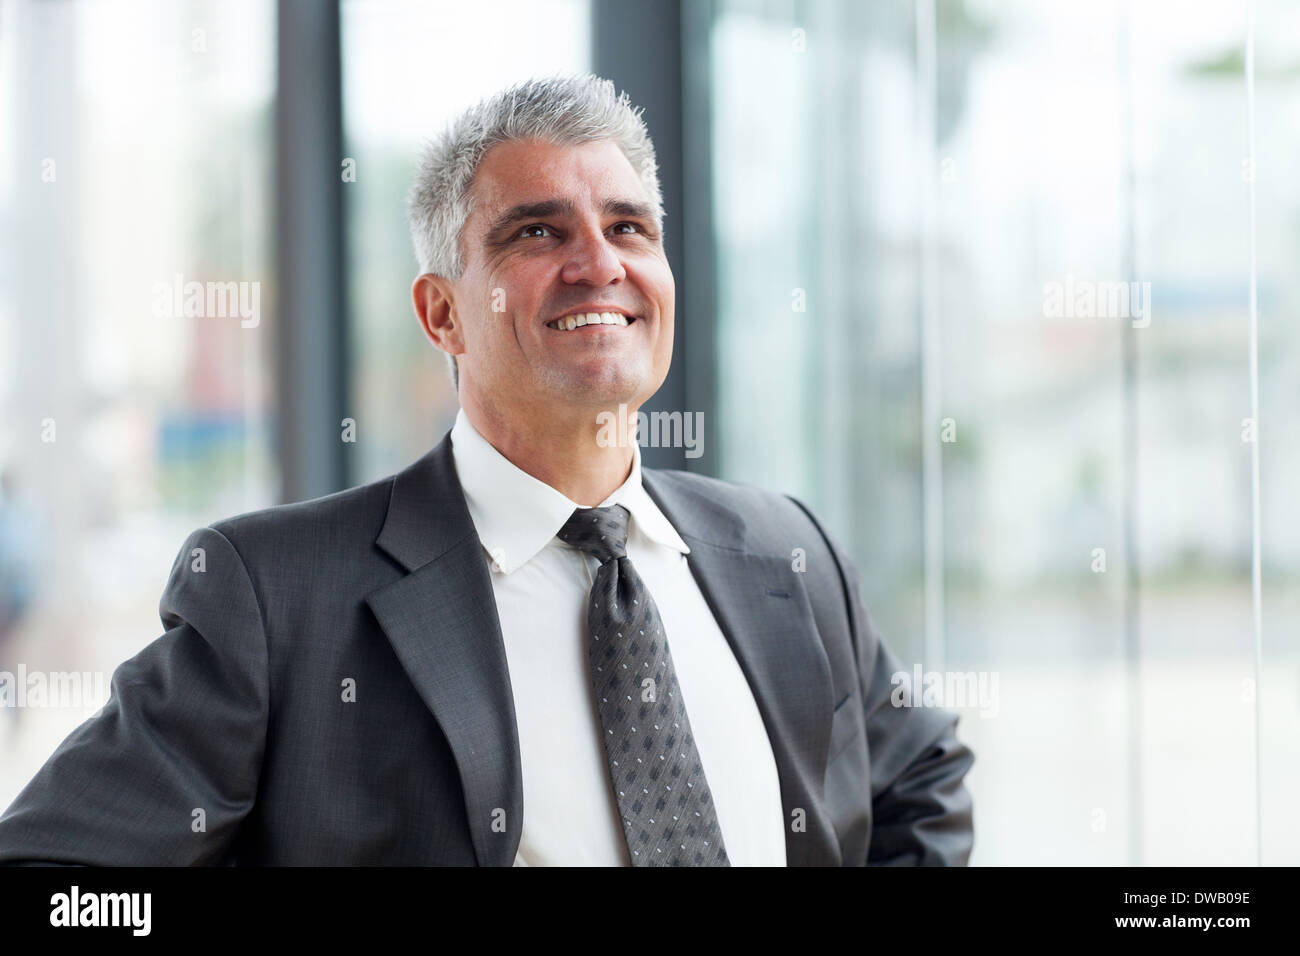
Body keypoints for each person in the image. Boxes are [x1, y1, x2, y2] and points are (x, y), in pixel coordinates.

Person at [0, 73, 973, 866]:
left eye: (629, 226)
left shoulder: (783, 547)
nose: (599, 263)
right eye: (538, 232)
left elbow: (920, 779)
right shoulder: (277, 596)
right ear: (441, 314)